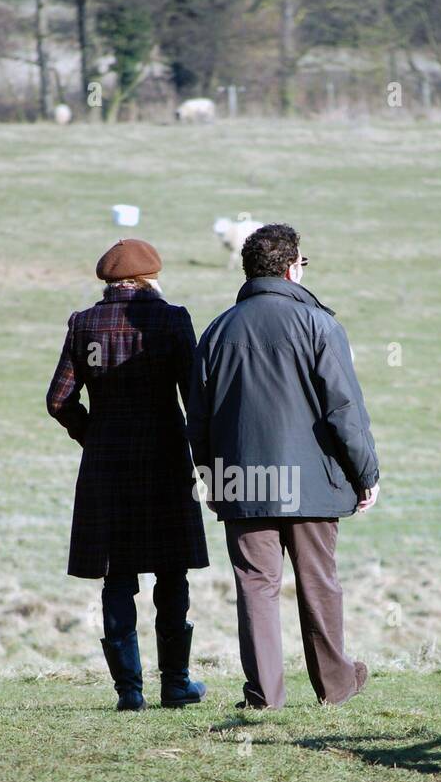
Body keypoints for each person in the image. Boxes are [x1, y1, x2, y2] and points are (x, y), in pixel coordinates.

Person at [187, 222, 379, 710]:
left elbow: (199, 419)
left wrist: (212, 478)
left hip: (242, 483)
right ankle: (335, 686)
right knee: (319, 583)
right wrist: (366, 474)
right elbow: (344, 410)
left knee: (256, 588)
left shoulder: (217, 330)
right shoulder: (319, 324)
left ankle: (264, 696)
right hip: (313, 483)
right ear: (293, 267)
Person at [46, 238, 208, 711]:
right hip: (164, 462)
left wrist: (91, 434)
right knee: (171, 573)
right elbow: (193, 397)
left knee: (116, 578)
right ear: (150, 278)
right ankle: (176, 684)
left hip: (106, 466)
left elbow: (59, 400)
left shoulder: (84, 323)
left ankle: (129, 693)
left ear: (110, 281)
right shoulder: (173, 318)